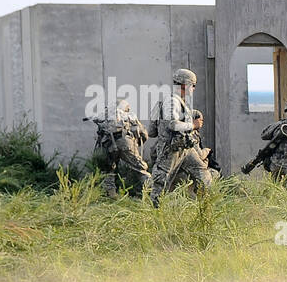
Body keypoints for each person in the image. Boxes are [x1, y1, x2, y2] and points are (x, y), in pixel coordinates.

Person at [149, 68, 210, 205]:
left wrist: (193, 114)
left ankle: (206, 205)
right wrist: (193, 126)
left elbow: (152, 131)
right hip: (170, 150)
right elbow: (173, 124)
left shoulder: (179, 102)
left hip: (185, 148)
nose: (193, 89)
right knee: (161, 184)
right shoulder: (172, 101)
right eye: (193, 85)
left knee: (203, 173)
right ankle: (156, 214)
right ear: (185, 85)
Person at [90, 98, 151, 199]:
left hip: (109, 145)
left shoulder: (105, 117)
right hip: (126, 144)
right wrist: (137, 144)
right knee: (140, 169)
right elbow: (144, 134)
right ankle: (152, 192)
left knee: (108, 170)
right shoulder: (129, 116)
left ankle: (111, 195)